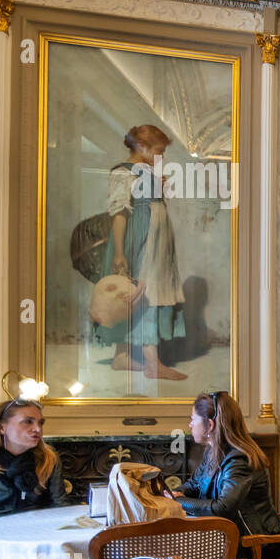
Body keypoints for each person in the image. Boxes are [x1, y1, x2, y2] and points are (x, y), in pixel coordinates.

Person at [98, 124, 187, 381]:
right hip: (142, 241)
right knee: (144, 292)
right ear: (142, 147)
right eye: (158, 152)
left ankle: (122, 357)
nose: (162, 158)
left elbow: (154, 203)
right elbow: (119, 214)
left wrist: (159, 187)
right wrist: (119, 252)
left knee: (144, 290)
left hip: (158, 240)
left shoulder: (146, 172)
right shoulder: (123, 173)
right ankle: (152, 364)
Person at [173, 392, 280, 559]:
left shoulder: (238, 459)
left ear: (209, 424)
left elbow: (223, 508)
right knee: (179, 555)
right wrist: (177, 492)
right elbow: (194, 483)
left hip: (256, 545)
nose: (190, 424)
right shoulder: (214, 451)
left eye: (193, 419)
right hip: (234, 539)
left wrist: (178, 501)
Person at [0, 400, 68, 522]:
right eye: (28, 422)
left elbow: (60, 506)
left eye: (41, 423)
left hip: (37, 532)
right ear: (1, 427)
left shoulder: (48, 458)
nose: (38, 429)